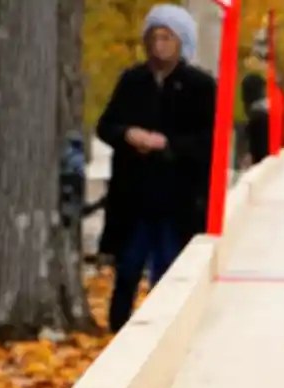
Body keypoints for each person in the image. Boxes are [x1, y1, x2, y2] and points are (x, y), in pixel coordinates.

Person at [95, 5, 216, 333]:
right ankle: (117, 328)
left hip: (177, 199)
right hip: (133, 198)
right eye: (155, 37)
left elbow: (211, 141)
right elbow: (106, 125)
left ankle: (163, 331)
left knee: (168, 271)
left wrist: (168, 145)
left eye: (167, 37)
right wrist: (128, 135)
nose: (160, 44)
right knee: (128, 268)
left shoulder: (200, 86)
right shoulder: (132, 81)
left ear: (181, 42)